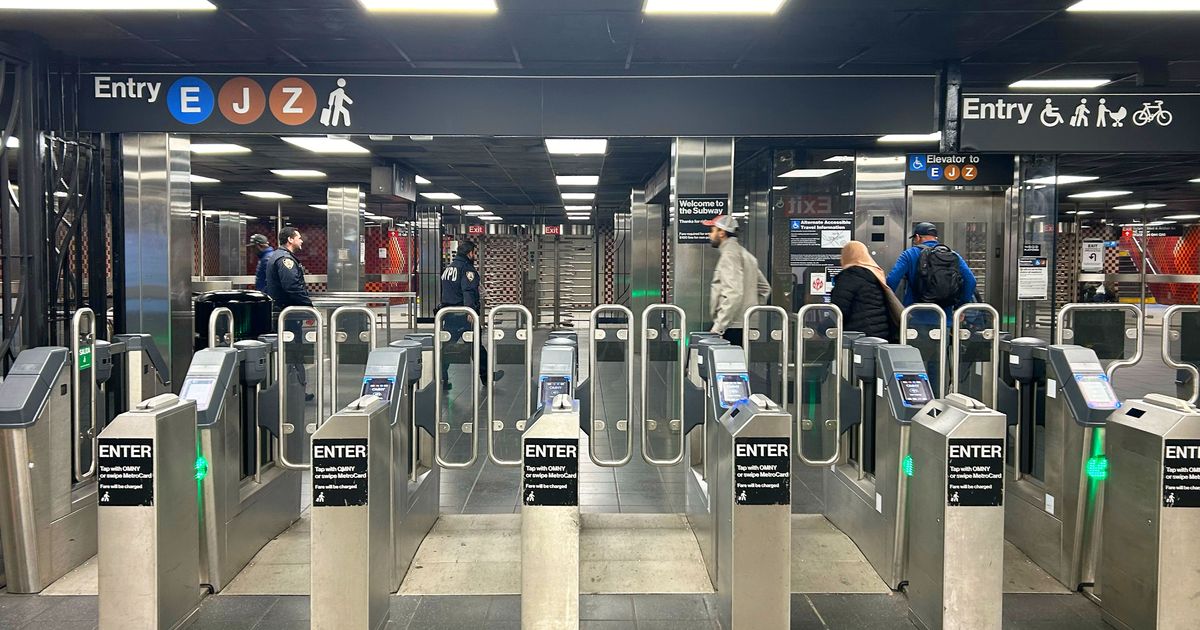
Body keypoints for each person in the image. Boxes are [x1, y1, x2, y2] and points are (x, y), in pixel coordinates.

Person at [439, 241, 502, 388]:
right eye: (474, 252)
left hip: (448, 314)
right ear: (469, 253)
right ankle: (487, 377)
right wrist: (471, 311)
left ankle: (442, 378)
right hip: (464, 315)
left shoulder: (449, 268)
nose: (475, 255)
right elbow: (468, 290)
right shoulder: (467, 269)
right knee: (477, 347)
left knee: (447, 347)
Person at [703, 214, 771, 346]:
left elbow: (733, 293)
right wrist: (751, 309)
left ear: (722, 233)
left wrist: (719, 327)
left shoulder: (729, 255)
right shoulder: (746, 255)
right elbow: (764, 288)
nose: (710, 235)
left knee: (727, 364)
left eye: (712, 230)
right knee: (739, 363)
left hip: (730, 325)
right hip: (743, 323)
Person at [886, 222, 977, 320]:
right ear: (935, 238)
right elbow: (971, 281)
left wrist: (888, 305)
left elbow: (892, 280)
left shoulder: (909, 254)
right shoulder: (952, 255)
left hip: (914, 315)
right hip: (944, 316)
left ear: (917, 237)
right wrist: (960, 306)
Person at [264, 227, 315, 400]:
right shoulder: (285, 260)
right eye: (298, 238)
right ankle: (295, 392)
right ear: (290, 240)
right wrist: (308, 307)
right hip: (287, 315)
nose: (301, 240)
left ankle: (295, 390)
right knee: (293, 352)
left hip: (283, 313)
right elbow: (292, 286)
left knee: (292, 352)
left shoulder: (279, 256)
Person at [830, 241, 901, 343]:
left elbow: (839, 311)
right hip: (881, 334)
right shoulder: (875, 274)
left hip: (857, 336)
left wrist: (823, 327)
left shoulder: (849, 276)